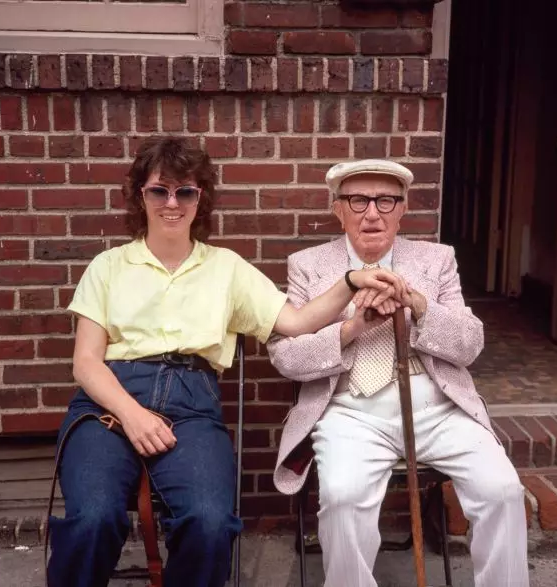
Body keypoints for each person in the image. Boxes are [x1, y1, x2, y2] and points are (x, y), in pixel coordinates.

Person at [45, 138, 407, 587]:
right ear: (141, 196)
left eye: (185, 192)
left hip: (192, 406)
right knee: (92, 518)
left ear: (202, 198)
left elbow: (295, 322)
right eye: (159, 191)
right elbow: (85, 363)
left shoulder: (226, 268)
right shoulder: (108, 267)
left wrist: (350, 282)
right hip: (108, 405)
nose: (172, 203)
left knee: (210, 522)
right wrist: (133, 414)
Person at [267, 159, 529, 587]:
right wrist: (352, 329)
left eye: (386, 200)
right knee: (344, 498)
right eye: (358, 200)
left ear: (403, 209)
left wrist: (420, 306)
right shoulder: (308, 265)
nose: (373, 213)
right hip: (349, 411)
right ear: (338, 209)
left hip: (438, 406)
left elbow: (469, 345)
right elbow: (286, 357)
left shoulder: (437, 260)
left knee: (502, 492)